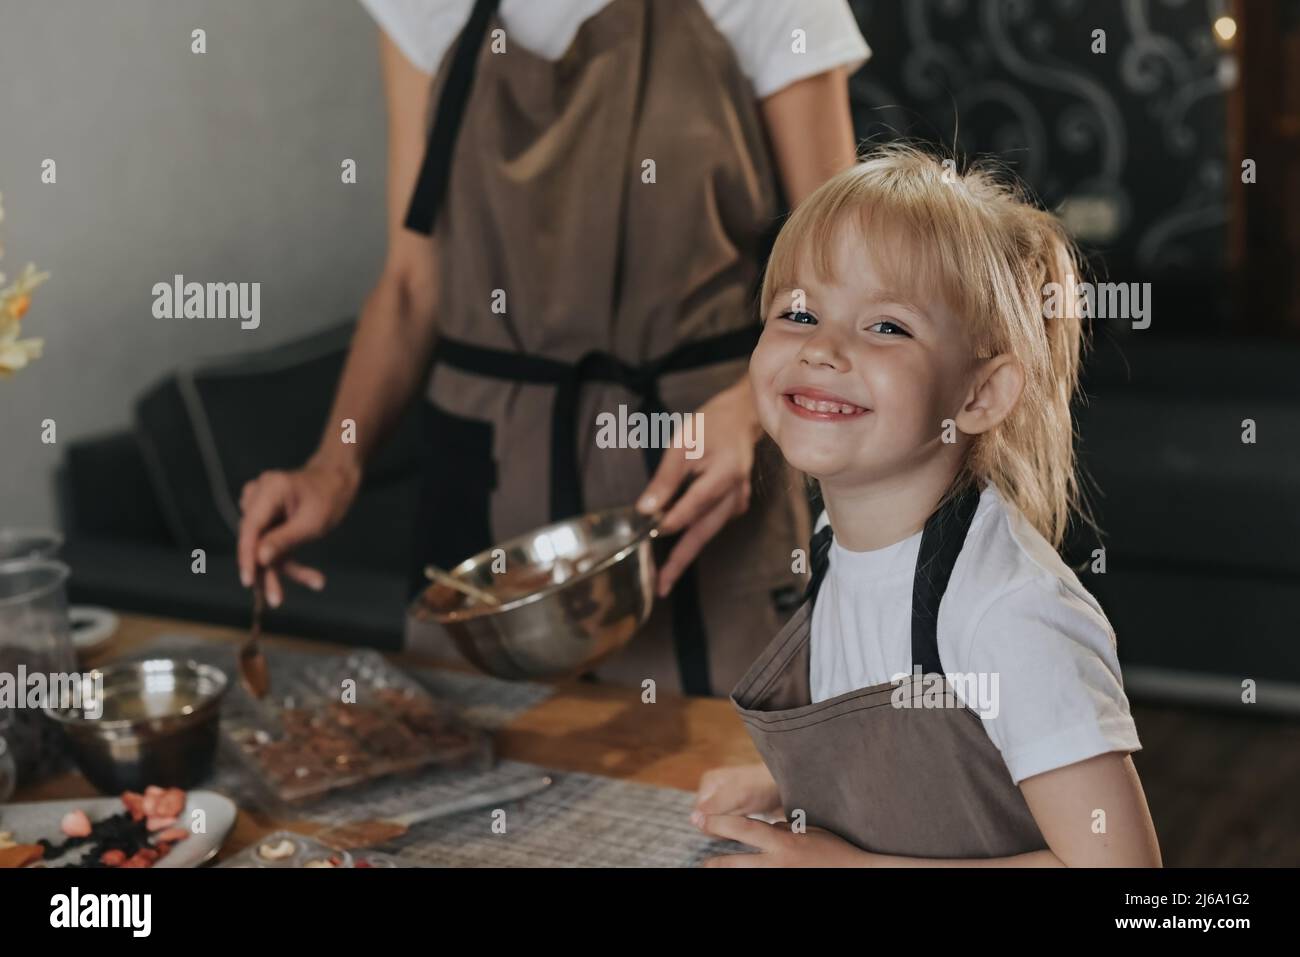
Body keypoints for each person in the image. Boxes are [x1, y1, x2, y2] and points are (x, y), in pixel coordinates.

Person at [235, 0, 871, 696]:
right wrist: (334, 466)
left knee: (726, 786)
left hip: (700, 487)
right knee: (473, 770)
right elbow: (413, 286)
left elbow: (840, 287)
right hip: (483, 488)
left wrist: (751, 409)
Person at [691, 144, 1162, 865]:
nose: (822, 349)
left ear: (979, 394)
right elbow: (916, 771)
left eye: (887, 326)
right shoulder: (835, 541)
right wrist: (792, 787)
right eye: (798, 311)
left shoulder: (1008, 613)